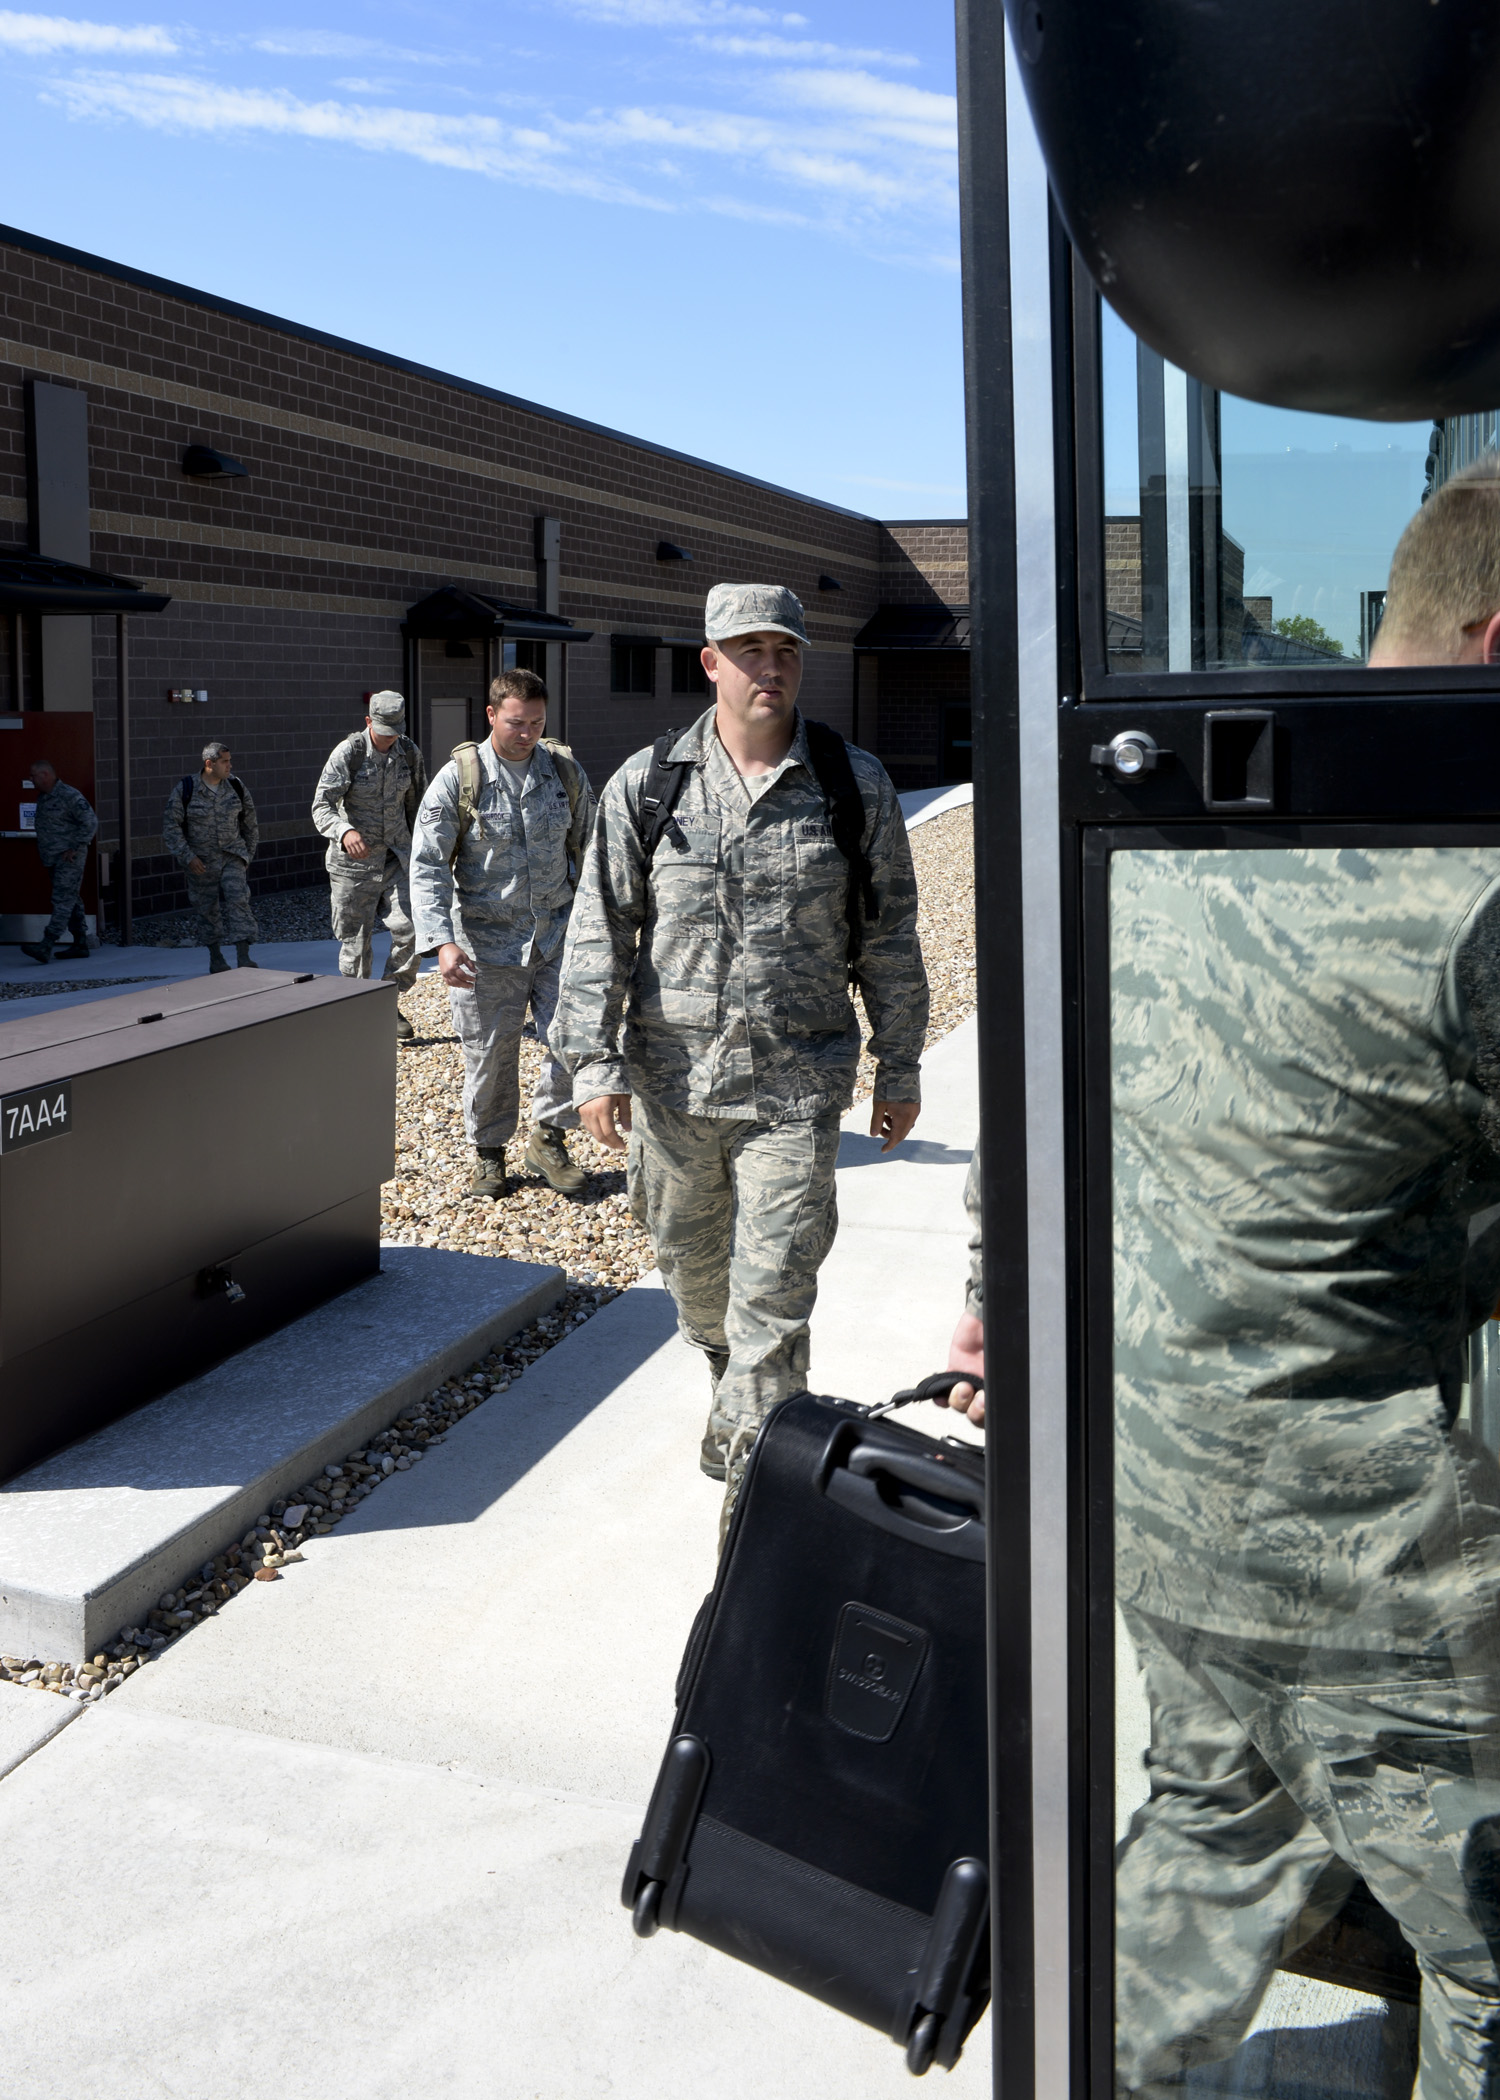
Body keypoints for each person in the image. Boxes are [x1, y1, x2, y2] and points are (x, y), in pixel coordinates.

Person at [552, 582, 929, 1532]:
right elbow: (600, 929)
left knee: (775, 1300)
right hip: (672, 1089)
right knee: (698, 1285)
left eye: (786, 651)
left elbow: (889, 937)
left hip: (796, 1092)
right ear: (710, 662)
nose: (770, 667)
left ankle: (757, 1514)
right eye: (750, 650)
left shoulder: (851, 783)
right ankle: (731, 1385)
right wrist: (591, 1065)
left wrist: (900, 1065)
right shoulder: (648, 785)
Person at [409, 667, 595, 1201]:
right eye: (517, 722)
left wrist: (598, 927)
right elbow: (427, 865)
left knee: (573, 1038)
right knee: (490, 1053)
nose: (528, 733)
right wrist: (441, 941)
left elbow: (593, 848)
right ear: (491, 715)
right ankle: (489, 1151)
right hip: (486, 947)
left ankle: (549, 1138)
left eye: (537, 722)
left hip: (556, 936)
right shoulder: (459, 779)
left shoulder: (564, 772)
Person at [312, 689, 428, 1041]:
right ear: (368, 722)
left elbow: (419, 807)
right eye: (383, 731)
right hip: (353, 866)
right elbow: (321, 806)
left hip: (396, 859)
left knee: (413, 931)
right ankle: (359, 1008)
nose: (390, 738)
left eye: (395, 731)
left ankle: (387, 1000)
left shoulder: (409, 753)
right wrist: (344, 830)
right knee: (356, 944)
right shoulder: (349, 753)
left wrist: (426, 853)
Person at [161, 740, 259, 973]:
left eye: (229, 761)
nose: (229, 766)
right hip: (201, 862)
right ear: (209, 763)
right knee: (207, 909)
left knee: (239, 900)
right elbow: (171, 826)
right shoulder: (186, 789)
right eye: (224, 762)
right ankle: (216, 957)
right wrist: (188, 857)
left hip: (232, 856)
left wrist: (247, 855)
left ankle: (244, 957)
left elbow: (250, 823)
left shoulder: (236, 786)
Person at [19, 760, 96, 964]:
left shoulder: (69, 795)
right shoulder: (44, 797)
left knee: (62, 900)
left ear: (45, 775)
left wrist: (75, 847)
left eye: (33, 775)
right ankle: (80, 943)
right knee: (71, 899)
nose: (30, 779)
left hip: (68, 858)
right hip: (53, 858)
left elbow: (90, 822)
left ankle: (47, 944)